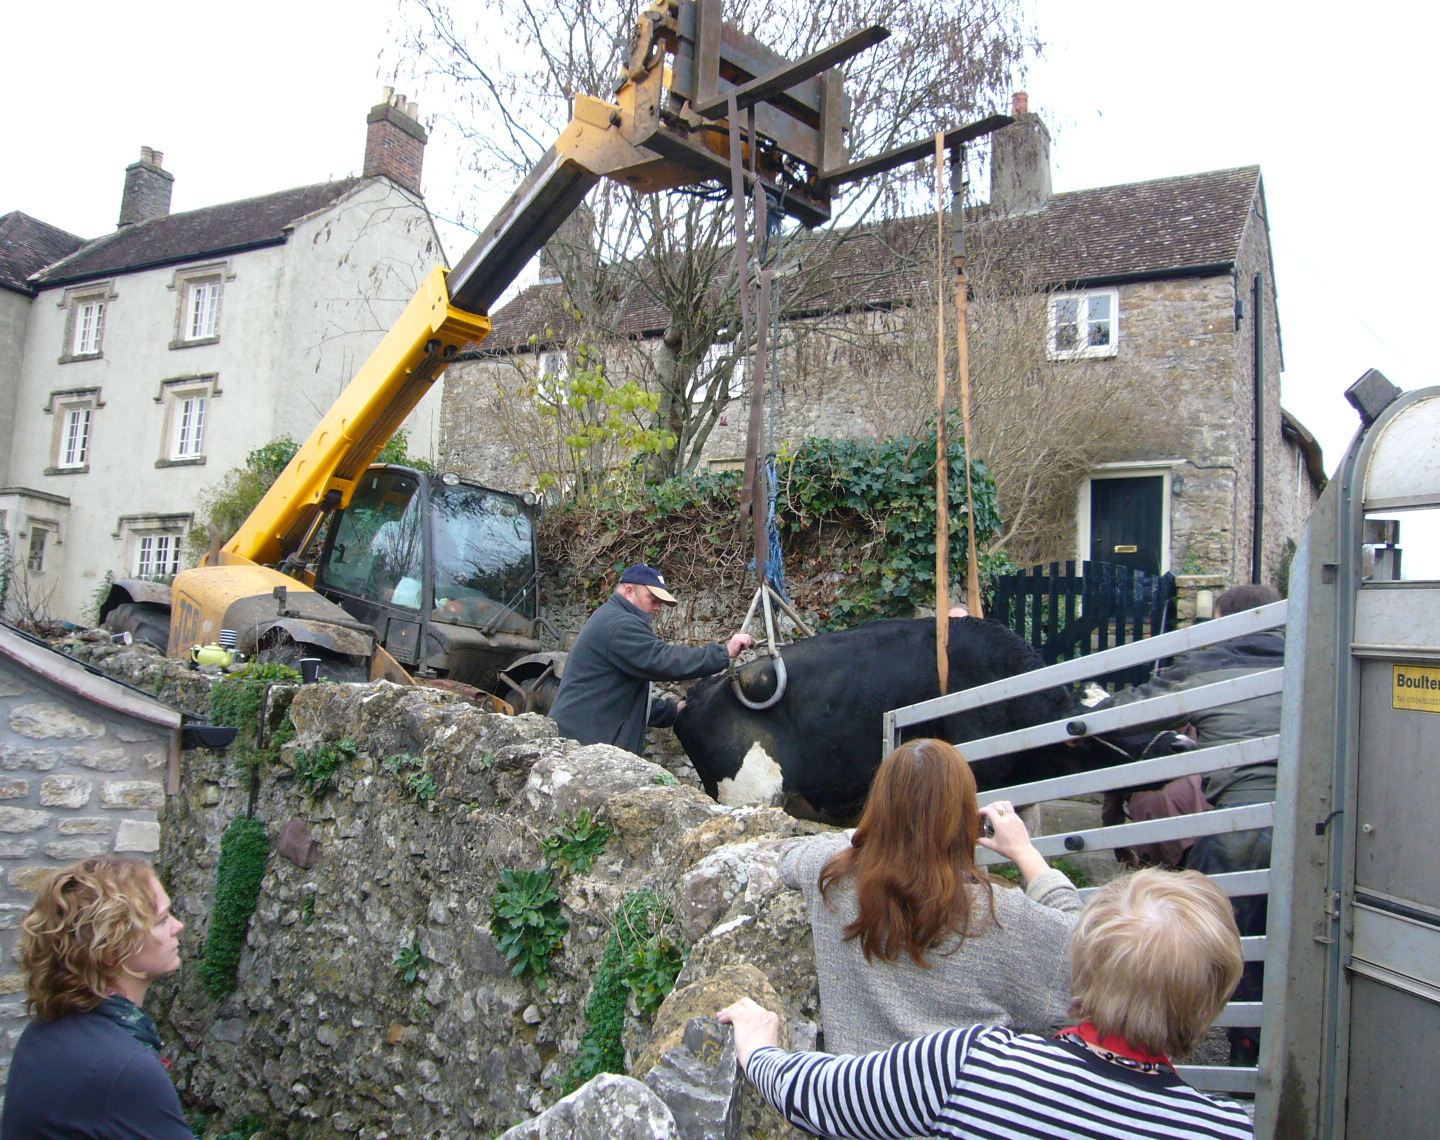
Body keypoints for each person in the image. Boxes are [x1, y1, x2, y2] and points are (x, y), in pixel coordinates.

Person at [720, 868, 1254, 1140]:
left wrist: (760, 1048)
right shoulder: (1232, 1131)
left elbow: (820, 1095)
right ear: (1213, 998)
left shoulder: (972, 1067)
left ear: (1081, 962)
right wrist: (1036, 866)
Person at [779, 738, 1081, 1055]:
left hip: (857, 1096)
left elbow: (788, 857)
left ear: (878, 804)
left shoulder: (826, 871)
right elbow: (1089, 959)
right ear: (967, 815)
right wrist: (1025, 852)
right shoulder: (998, 915)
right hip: (961, 1100)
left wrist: (878, 835)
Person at [1099, 582, 1283, 1064]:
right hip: (1313, 830)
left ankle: (1227, 1054)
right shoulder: (1311, 659)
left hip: (1239, 832)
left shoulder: (1212, 666)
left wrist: (1088, 717)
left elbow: (1121, 716)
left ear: (1224, 621)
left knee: (1220, 941)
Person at [1, 855, 193, 1140]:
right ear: (114, 944)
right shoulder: (123, 1066)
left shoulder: (45, 1029)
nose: (178, 926)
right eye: (162, 919)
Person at [548, 564, 753, 755]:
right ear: (629, 591)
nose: (658, 608)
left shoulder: (610, 617)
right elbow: (662, 659)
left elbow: (617, 696)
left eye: (660, 603)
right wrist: (723, 652)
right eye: (653, 600)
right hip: (584, 746)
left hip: (582, 739)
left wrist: (671, 711)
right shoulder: (620, 625)